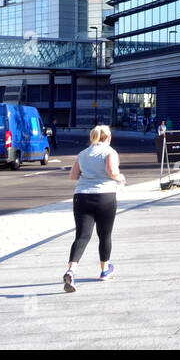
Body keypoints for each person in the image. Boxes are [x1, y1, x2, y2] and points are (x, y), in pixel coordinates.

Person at [63, 125, 126, 292]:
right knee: (104, 234)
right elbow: (112, 171)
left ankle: (72, 270)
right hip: (105, 196)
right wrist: (120, 178)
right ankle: (105, 270)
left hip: (81, 196)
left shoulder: (82, 154)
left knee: (82, 236)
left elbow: (73, 176)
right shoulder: (110, 152)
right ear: (108, 137)